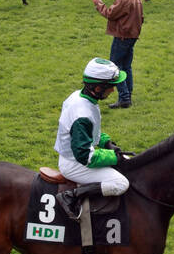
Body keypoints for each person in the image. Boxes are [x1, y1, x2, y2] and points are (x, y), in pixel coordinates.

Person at [54, 59, 129, 219]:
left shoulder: (80, 97)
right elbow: (85, 156)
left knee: (128, 161)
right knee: (121, 183)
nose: (114, 90)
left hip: (76, 156)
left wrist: (106, 142)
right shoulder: (82, 113)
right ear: (97, 88)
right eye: (111, 86)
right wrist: (114, 158)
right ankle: (71, 196)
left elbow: (91, 133)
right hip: (75, 164)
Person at [92, 0, 143, 108]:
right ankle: (128, 95)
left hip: (122, 36)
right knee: (126, 67)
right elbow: (141, 18)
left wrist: (99, 3)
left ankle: (124, 98)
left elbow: (110, 14)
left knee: (115, 67)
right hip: (132, 36)